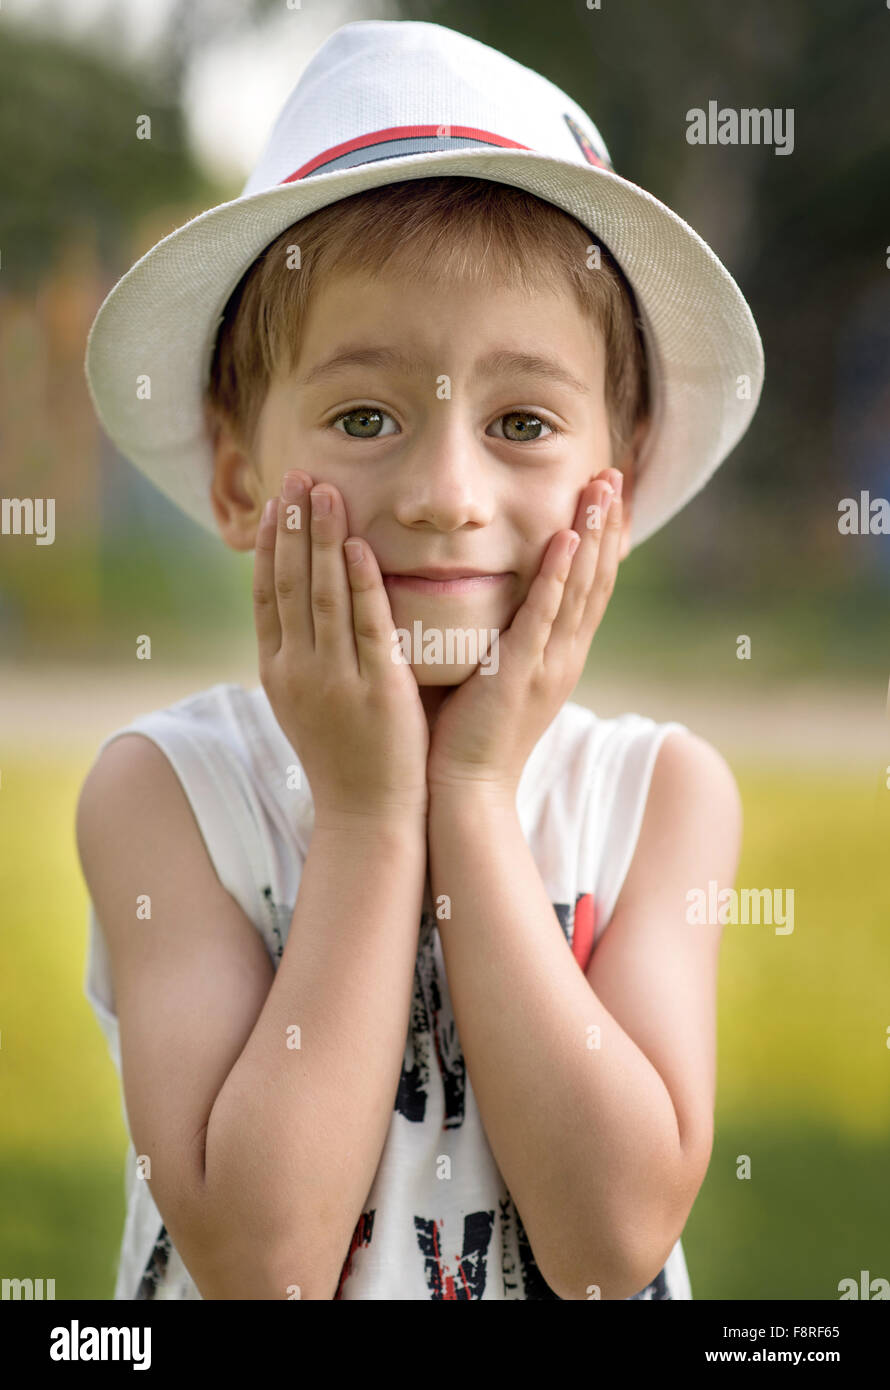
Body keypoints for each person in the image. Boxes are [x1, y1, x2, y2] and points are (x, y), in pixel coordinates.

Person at [77, 19, 762, 1300]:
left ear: (614, 481)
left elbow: (612, 1243)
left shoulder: (659, 799)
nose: (445, 494)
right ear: (238, 477)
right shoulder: (167, 794)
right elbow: (261, 1260)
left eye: (521, 421)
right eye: (363, 415)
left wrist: (472, 796)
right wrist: (366, 813)